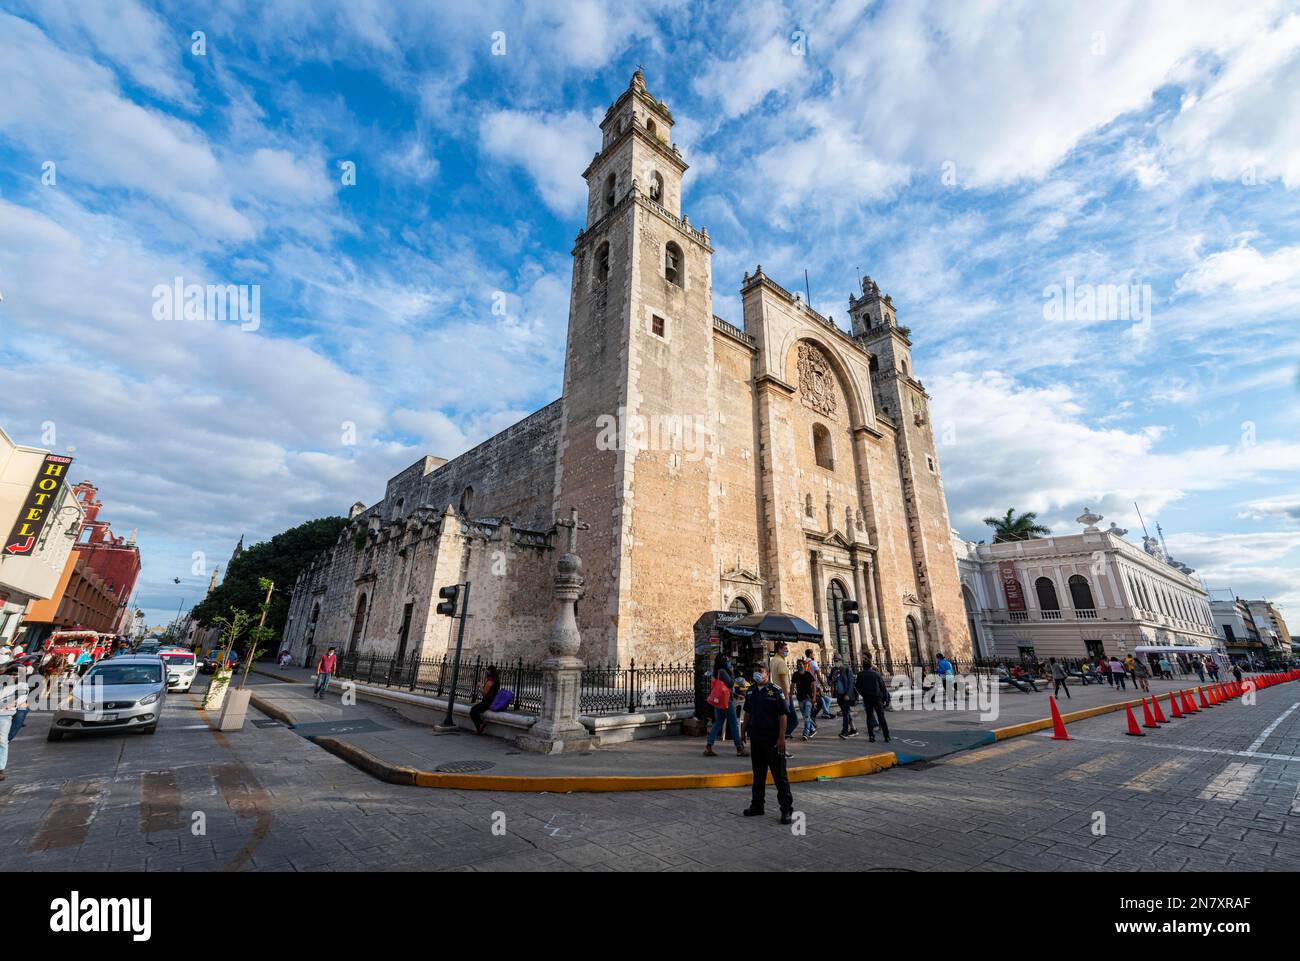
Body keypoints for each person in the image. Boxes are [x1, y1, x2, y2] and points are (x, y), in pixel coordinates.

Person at [740, 665, 793, 824]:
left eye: (760, 671)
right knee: (758, 774)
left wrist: (782, 737)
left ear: (767, 674)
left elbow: (783, 715)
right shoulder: (751, 691)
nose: (757, 674)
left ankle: (786, 809)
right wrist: (743, 731)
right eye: (755, 671)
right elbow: (747, 712)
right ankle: (757, 805)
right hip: (756, 738)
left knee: (780, 776)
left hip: (773, 739)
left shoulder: (776, 691)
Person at [704, 652, 747, 757]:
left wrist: (736, 694)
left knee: (718, 722)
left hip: (719, 700)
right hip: (725, 701)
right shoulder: (723, 671)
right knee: (733, 723)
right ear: (723, 662)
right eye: (727, 660)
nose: (729, 662)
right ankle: (739, 748)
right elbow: (730, 683)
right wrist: (732, 672)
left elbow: (724, 687)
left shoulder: (716, 672)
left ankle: (708, 746)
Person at [769, 642, 797, 753]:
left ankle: (779, 744)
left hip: (778, 694)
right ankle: (780, 743)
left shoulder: (773, 660)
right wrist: (787, 696)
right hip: (783, 695)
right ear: (779, 650)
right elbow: (782, 680)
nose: (787, 651)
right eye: (785, 649)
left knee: (781, 721)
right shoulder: (780, 663)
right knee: (793, 721)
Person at [854, 657, 891, 742]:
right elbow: (883, 687)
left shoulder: (860, 675)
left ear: (863, 666)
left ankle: (871, 736)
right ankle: (887, 736)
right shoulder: (876, 674)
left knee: (869, 717)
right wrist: (886, 699)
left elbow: (857, 686)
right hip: (877, 698)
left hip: (867, 698)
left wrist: (863, 694)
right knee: (881, 717)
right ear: (871, 666)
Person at [829, 654, 857, 738]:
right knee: (846, 712)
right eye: (834, 661)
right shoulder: (834, 670)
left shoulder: (847, 669)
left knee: (845, 714)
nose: (835, 663)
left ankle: (845, 732)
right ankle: (853, 729)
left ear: (841, 661)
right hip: (839, 695)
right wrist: (831, 680)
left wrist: (848, 694)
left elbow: (851, 683)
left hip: (846, 695)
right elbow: (830, 679)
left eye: (837, 661)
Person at [805, 648, 834, 719]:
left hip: (807, 685)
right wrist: (823, 686)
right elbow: (818, 676)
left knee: (827, 699)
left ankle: (825, 713)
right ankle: (826, 713)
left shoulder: (805, 663)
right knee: (822, 699)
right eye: (813, 653)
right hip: (814, 686)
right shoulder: (813, 663)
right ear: (810, 654)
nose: (813, 655)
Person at [470, 666, 500, 734]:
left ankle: (480, 726)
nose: (486, 672)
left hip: (487, 702)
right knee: (474, 710)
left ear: (490, 672)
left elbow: (484, 694)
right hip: (491, 701)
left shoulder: (490, 681)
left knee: (473, 711)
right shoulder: (495, 680)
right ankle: (480, 725)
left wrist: (480, 686)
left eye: (487, 671)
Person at [793, 659, 817, 740]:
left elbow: (814, 686)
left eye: (801, 664)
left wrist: (814, 697)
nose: (799, 665)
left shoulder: (808, 674)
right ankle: (813, 728)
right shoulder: (795, 675)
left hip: (808, 698)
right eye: (798, 664)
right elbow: (792, 685)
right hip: (800, 698)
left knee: (806, 716)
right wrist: (790, 695)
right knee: (805, 716)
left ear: (804, 665)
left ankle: (805, 733)